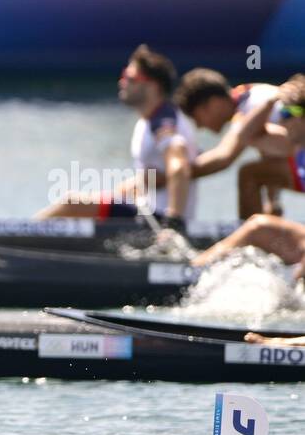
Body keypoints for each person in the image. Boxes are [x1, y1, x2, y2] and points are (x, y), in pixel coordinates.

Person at [36, 45, 197, 222]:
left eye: (129, 77)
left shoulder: (164, 121)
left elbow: (179, 164)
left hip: (161, 221)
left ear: (152, 86)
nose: (122, 82)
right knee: (89, 201)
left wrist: (174, 220)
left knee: (72, 202)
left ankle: (19, 236)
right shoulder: (149, 121)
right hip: (150, 213)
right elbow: (155, 177)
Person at [190, 76, 305, 270]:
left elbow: (224, 156)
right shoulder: (293, 143)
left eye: (287, 114)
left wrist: (173, 174)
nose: (282, 122)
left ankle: (188, 273)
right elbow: (247, 137)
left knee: (257, 227)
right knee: (250, 180)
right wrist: (273, 100)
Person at [173, 68, 290, 218]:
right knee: (254, 172)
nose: (198, 126)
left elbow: (223, 157)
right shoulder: (253, 92)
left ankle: (252, 238)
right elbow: (273, 155)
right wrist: (273, 202)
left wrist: (173, 175)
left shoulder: (248, 108)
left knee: (248, 175)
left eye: (196, 118)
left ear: (212, 103)